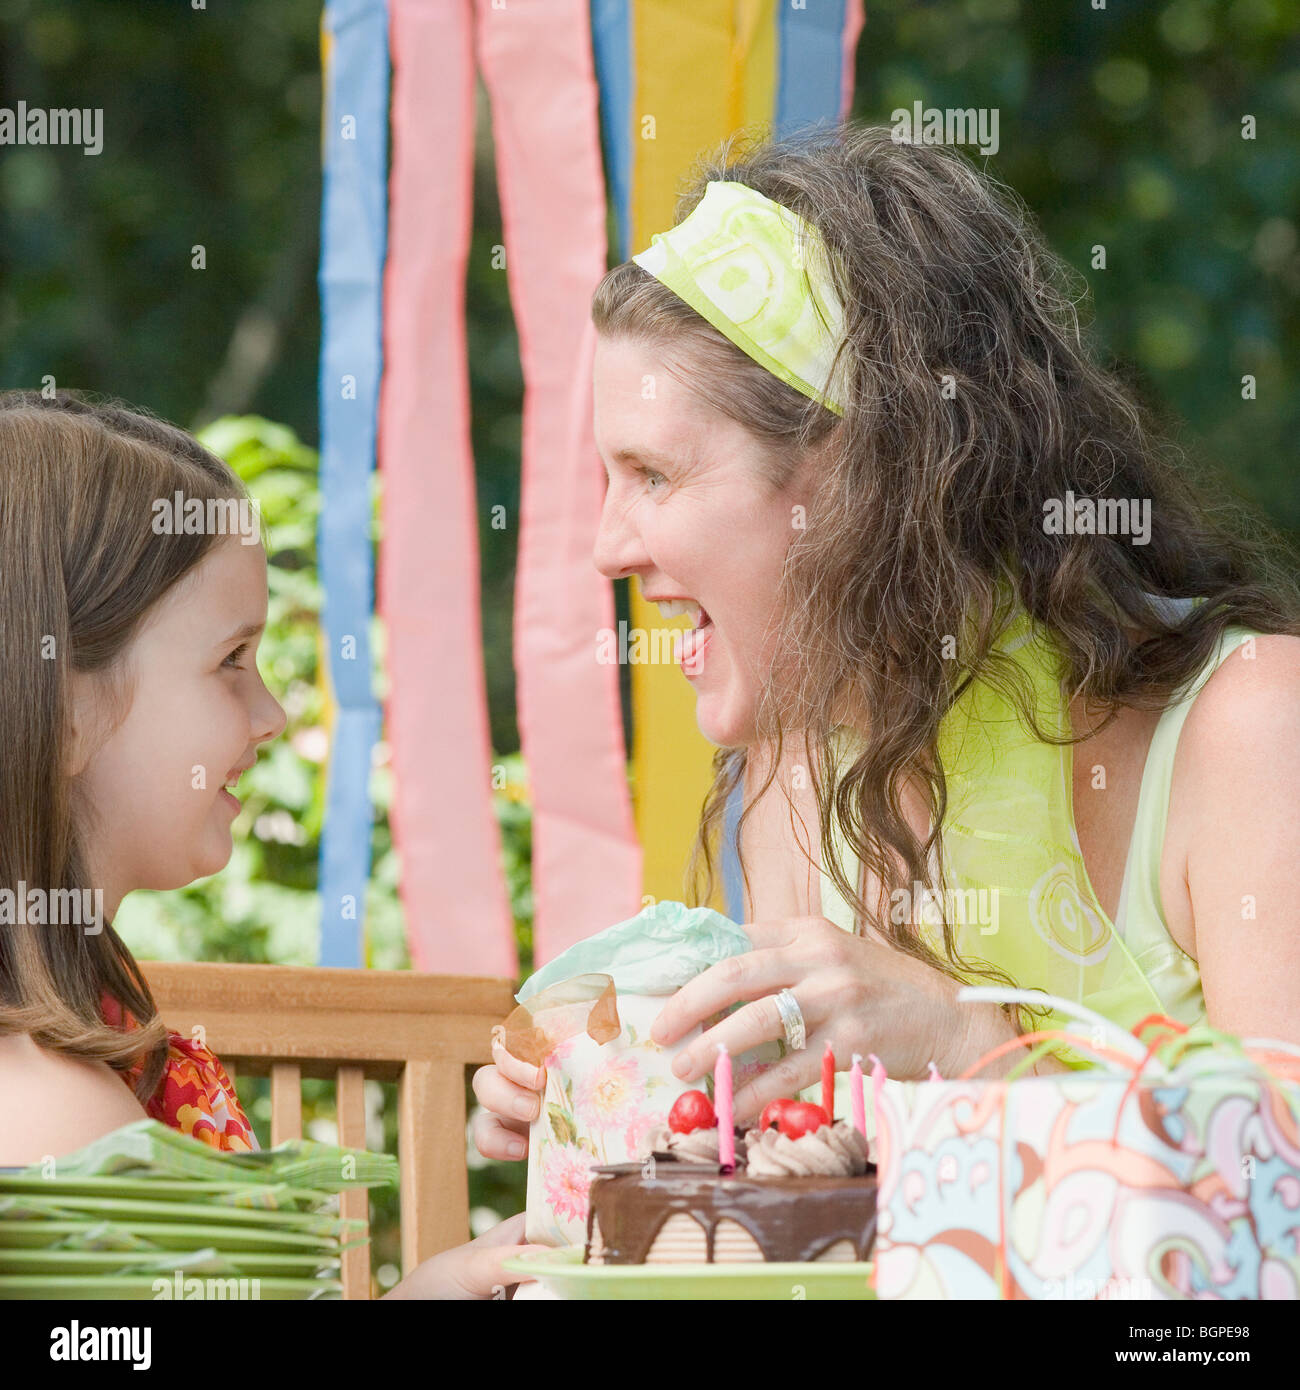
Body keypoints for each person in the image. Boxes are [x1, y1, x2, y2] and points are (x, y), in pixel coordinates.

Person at [472, 120, 1300, 1163]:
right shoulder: (796, 777)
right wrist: (621, 1122)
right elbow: (820, 1214)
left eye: (654, 476)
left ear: (863, 479)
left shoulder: (1249, 726)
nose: (605, 547)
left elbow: (1283, 1188)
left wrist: (972, 1047)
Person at [0, 391, 542, 1298]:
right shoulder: (60, 1132)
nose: (273, 716)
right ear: (66, 711)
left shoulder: (82, 1066)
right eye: (230, 661)